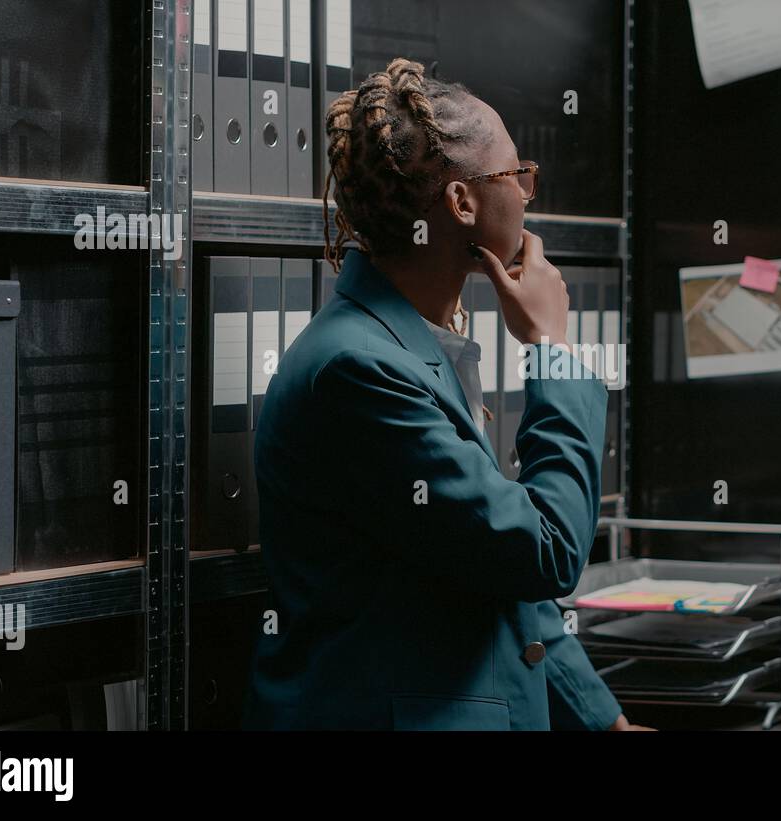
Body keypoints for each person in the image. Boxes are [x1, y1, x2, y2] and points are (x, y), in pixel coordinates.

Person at [241, 57, 650, 730]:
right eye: (515, 175)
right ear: (461, 203)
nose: (527, 194)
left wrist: (605, 721)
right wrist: (551, 348)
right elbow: (543, 549)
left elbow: (493, 572)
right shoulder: (358, 370)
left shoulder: (415, 346)